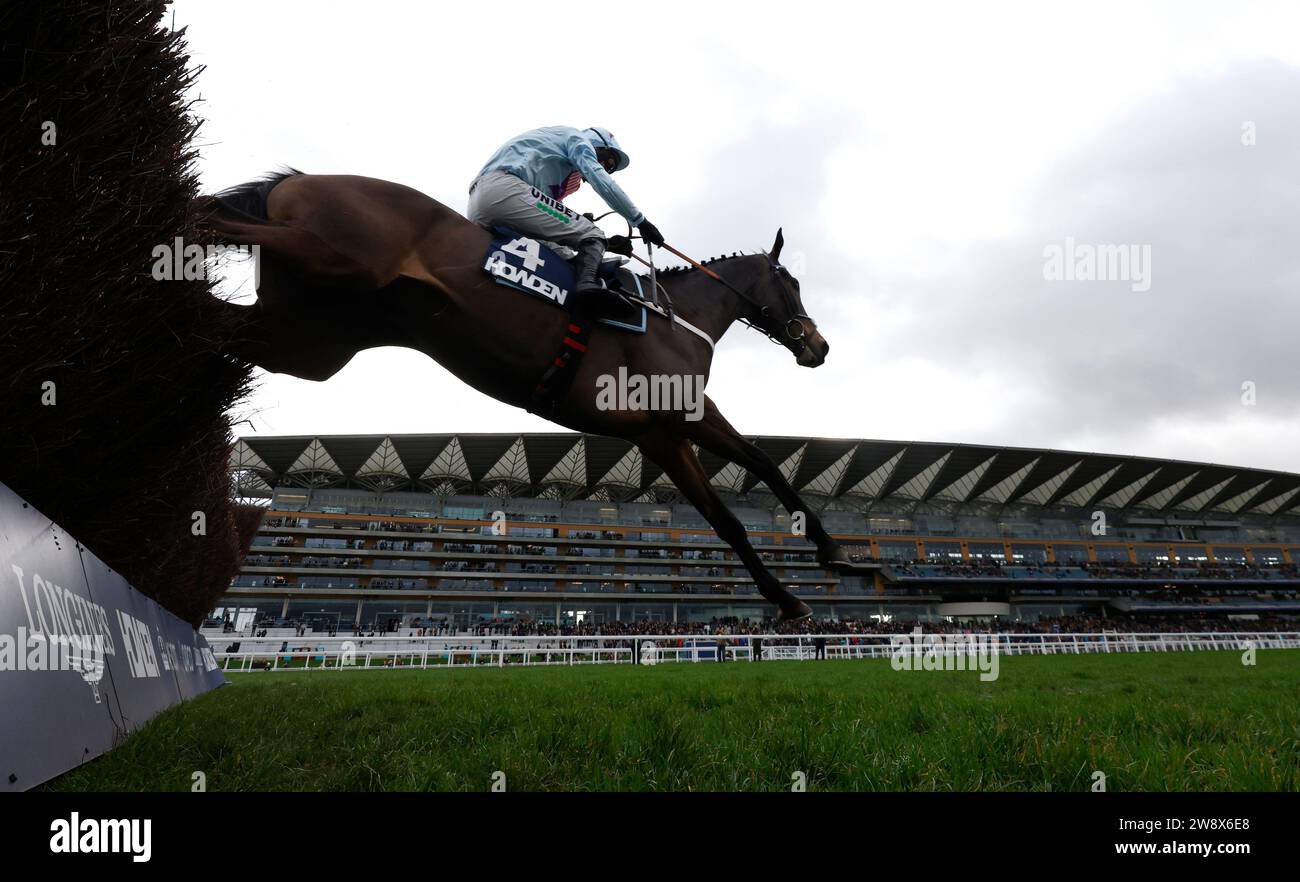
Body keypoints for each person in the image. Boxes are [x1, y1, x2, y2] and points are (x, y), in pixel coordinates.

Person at [467, 126, 665, 306]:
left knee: (565, 255)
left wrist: (607, 243)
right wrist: (639, 221)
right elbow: (600, 179)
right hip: (506, 190)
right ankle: (587, 287)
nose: (605, 167)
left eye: (610, 168)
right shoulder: (578, 139)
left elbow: (548, 213)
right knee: (592, 232)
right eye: (606, 160)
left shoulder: (561, 168)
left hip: (482, 203)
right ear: (595, 144)